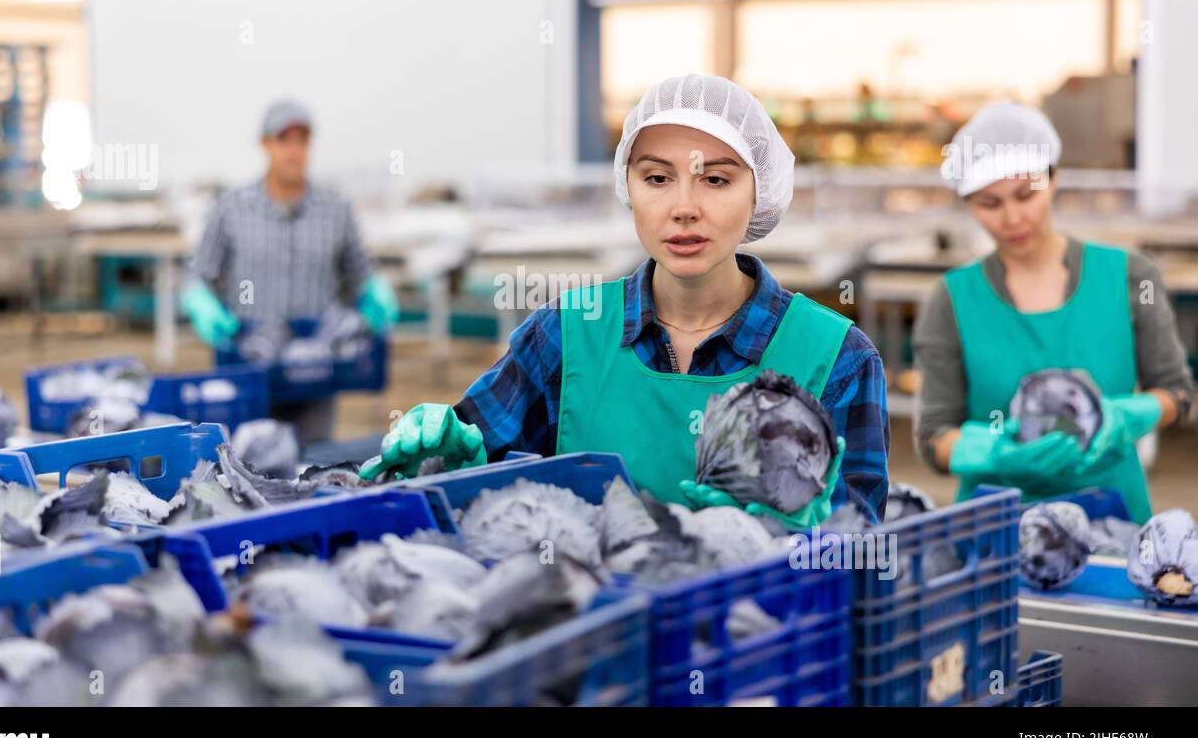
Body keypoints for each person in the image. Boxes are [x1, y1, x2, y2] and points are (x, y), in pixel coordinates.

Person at [361, 74, 890, 526]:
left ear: (760, 191)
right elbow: (470, 481)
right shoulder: (566, 334)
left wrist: (814, 540)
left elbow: (864, 568)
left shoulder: (838, 357)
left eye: (716, 179)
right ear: (627, 187)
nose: (684, 207)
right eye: (657, 178)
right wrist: (451, 458)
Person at [912, 101, 1194, 523]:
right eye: (990, 203)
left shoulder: (1131, 277)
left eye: (1027, 195)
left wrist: (1128, 416)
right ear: (968, 204)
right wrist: (995, 452)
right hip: (997, 532)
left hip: (1112, 520)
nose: (1012, 217)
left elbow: (1178, 393)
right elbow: (934, 437)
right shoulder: (951, 299)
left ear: (1055, 178)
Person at [183, 100, 398, 442]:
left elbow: (360, 274)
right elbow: (200, 276)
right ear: (265, 144)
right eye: (285, 140)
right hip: (247, 367)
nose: (294, 151)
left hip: (316, 372)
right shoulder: (231, 208)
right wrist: (201, 303)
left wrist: (375, 294)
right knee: (244, 464)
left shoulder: (335, 209)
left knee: (310, 467)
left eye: (302, 140)